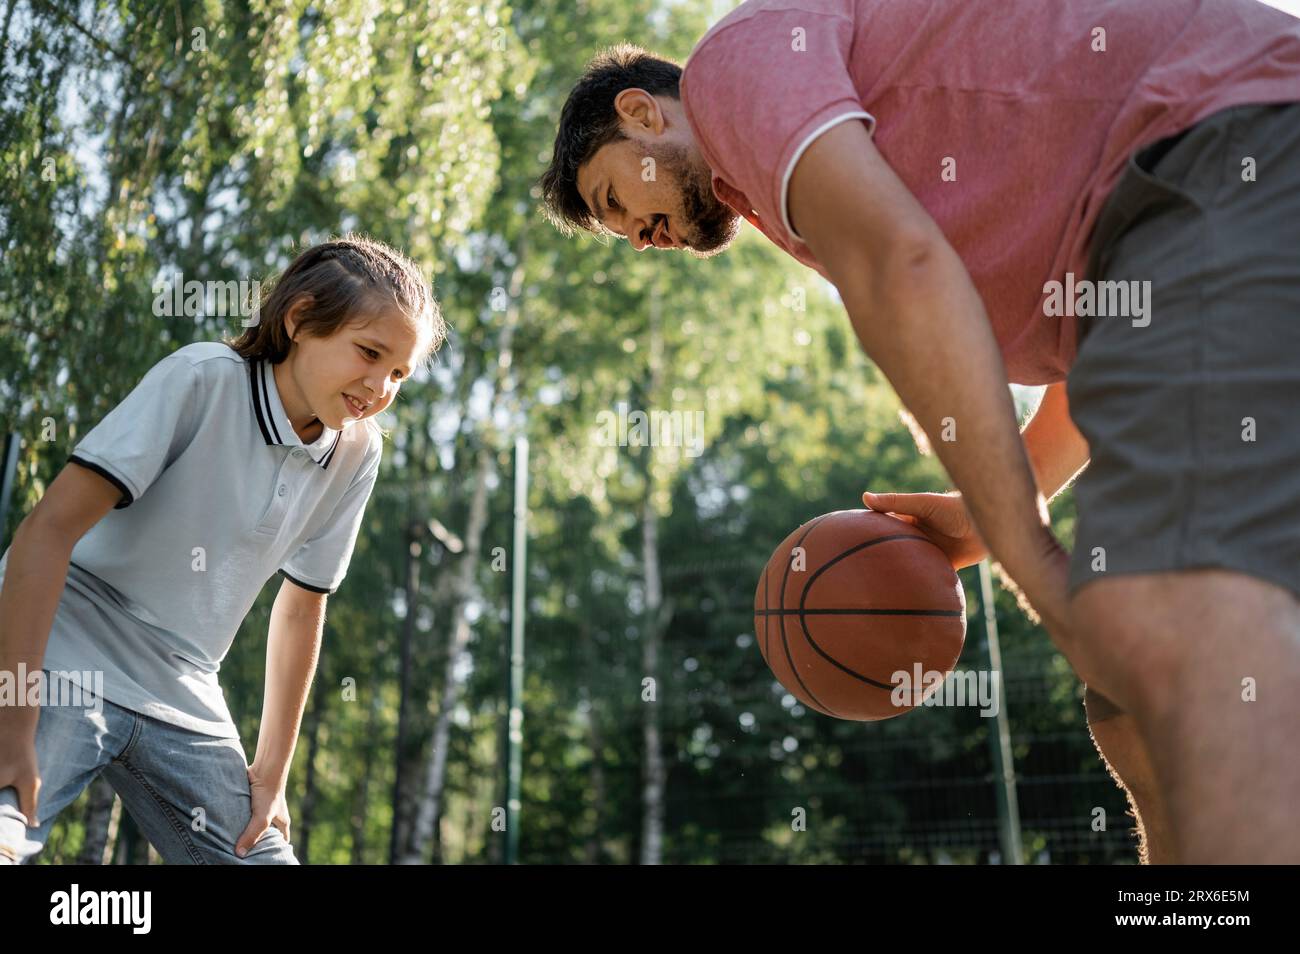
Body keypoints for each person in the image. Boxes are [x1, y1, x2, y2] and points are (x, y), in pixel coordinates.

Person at [539, 0, 1300, 863]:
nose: (639, 238)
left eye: (614, 197)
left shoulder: (734, 70)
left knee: (1197, 641)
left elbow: (903, 271)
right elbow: (1102, 345)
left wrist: (1033, 561)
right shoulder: (785, 187)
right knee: (1129, 695)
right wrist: (1007, 505)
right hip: (1184, 215)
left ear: (641, 111)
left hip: (1226, 143)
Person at [0, 235, 443, 864]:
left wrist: (271, 773)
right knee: (5, 829)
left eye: (399, 373)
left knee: (263, 857)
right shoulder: (201, 379)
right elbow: (44, 533)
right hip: (71, 640)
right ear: (299, 320)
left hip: (184, 684)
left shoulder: (357, 453)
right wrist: (13, 720)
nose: (379, 386)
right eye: (368, 353)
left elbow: (302, 605)